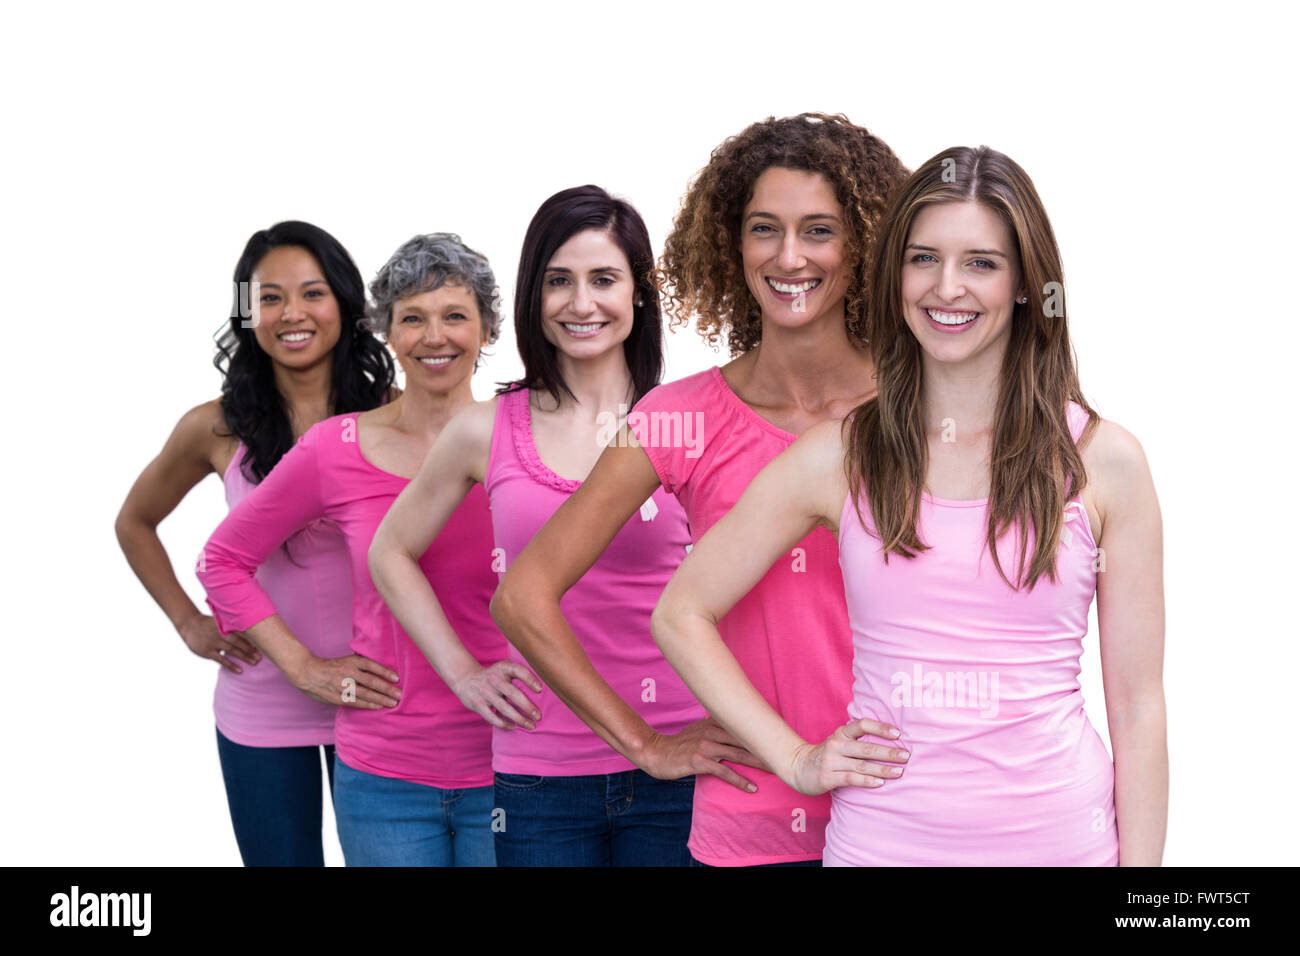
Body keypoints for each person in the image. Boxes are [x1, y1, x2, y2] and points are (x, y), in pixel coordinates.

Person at [652, 146, 1169, 866]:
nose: (947, 287)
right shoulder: (840, 455)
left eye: (981, 263)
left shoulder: (1104, 461)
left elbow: (1138, 710)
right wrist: (796, 758)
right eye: (923, 258)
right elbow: (682, 612)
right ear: (895, 273)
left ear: (1026, 284)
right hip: (881, 848)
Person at [489, 114, 911, 866]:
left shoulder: (921, 408)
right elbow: (524, 594)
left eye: (819, 230)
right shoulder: (680, 417)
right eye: (763, 229)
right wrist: (645, 744)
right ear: (730, 242)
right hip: (752, 813)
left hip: (909, 800)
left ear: (864, 244)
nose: (789, 256)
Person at [369, 186, 704, 866]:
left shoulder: (688, 421)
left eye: (604, 279)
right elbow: (391, 551)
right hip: (540, 775)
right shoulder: (483, 429)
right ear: (532, 297)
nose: (582, 303)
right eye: (559, 281)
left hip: (681, 758)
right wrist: (463, 673)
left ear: (639, 292)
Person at [199, 233, 514, 866]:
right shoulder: (334, 447)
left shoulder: (528, 438)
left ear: (487, 331)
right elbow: (222, 560)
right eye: (413, 319)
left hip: (515, 762)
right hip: (384, 779)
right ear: (386, 331)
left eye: (456, 316)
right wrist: (301, 666)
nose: (435, 337)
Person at [115, 221, 395, 865]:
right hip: (264, 703)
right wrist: (188, 622)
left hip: (382, 699)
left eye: (312, 292)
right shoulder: (215, 426)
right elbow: (135, 521)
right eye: (269, 297)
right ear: (248, 314)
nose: (291, 313)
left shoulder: (396, 416)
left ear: (347, 305)